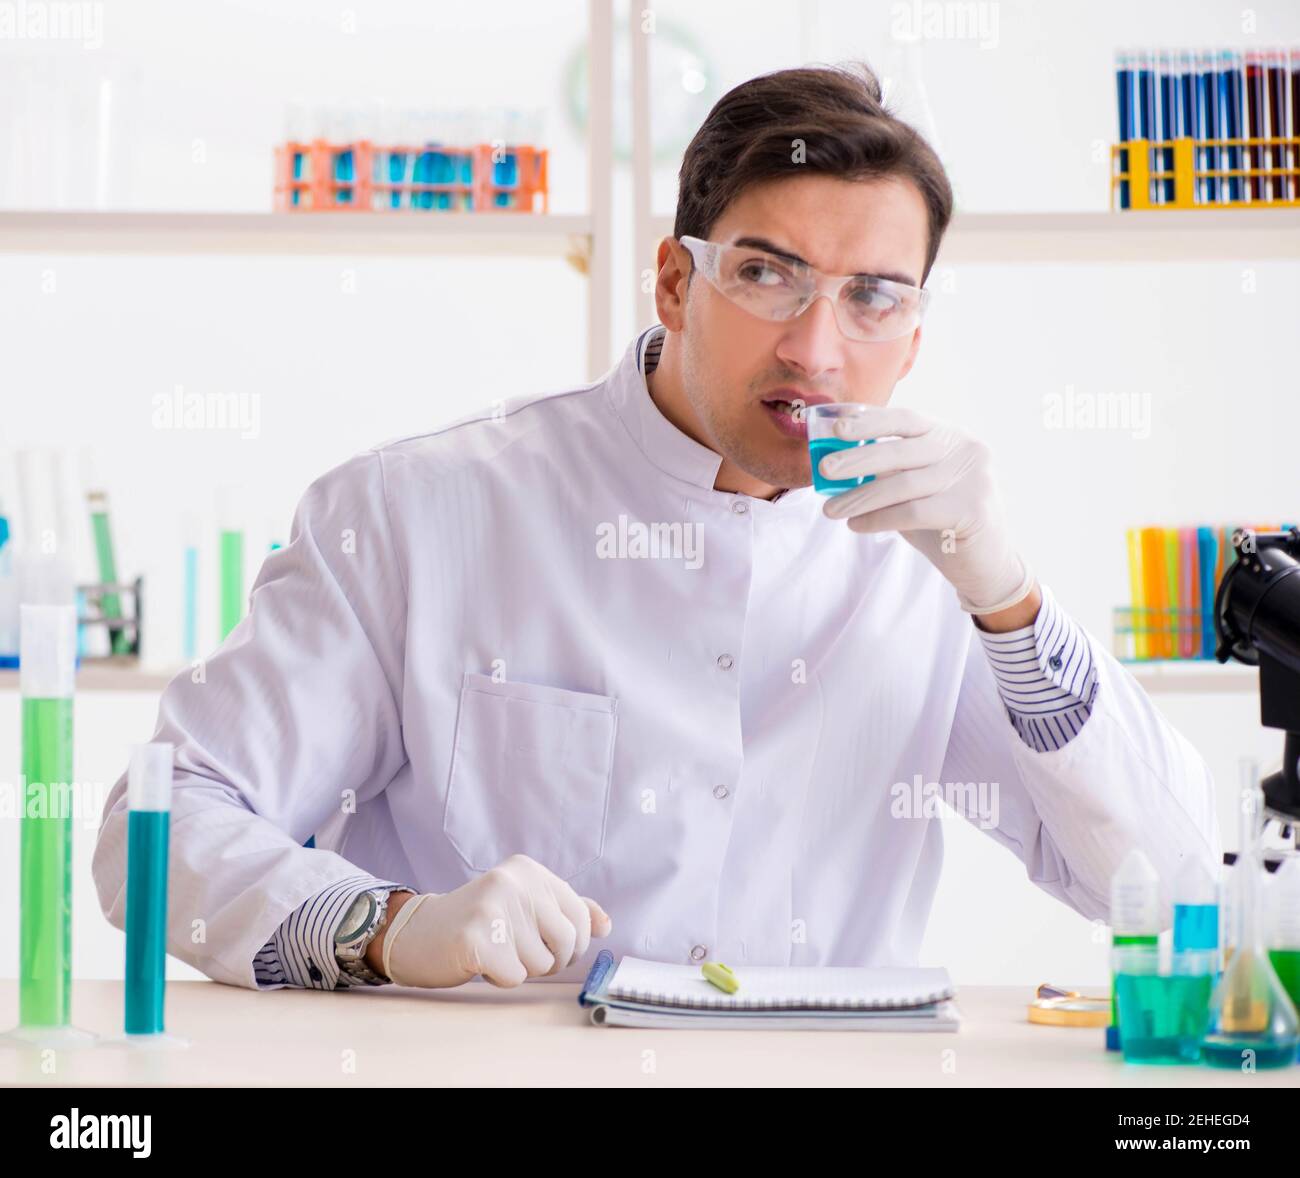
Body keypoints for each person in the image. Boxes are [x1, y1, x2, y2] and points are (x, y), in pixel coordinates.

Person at [93, 62, 1220, 993]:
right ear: (673, 283)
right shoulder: (415, 512)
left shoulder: (937, 563)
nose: (816, 348)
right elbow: (154, 834)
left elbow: (1172, 889)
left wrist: (1010, 599)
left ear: (914, 336)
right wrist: (385, 924)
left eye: (872, 295)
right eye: (767, 275)